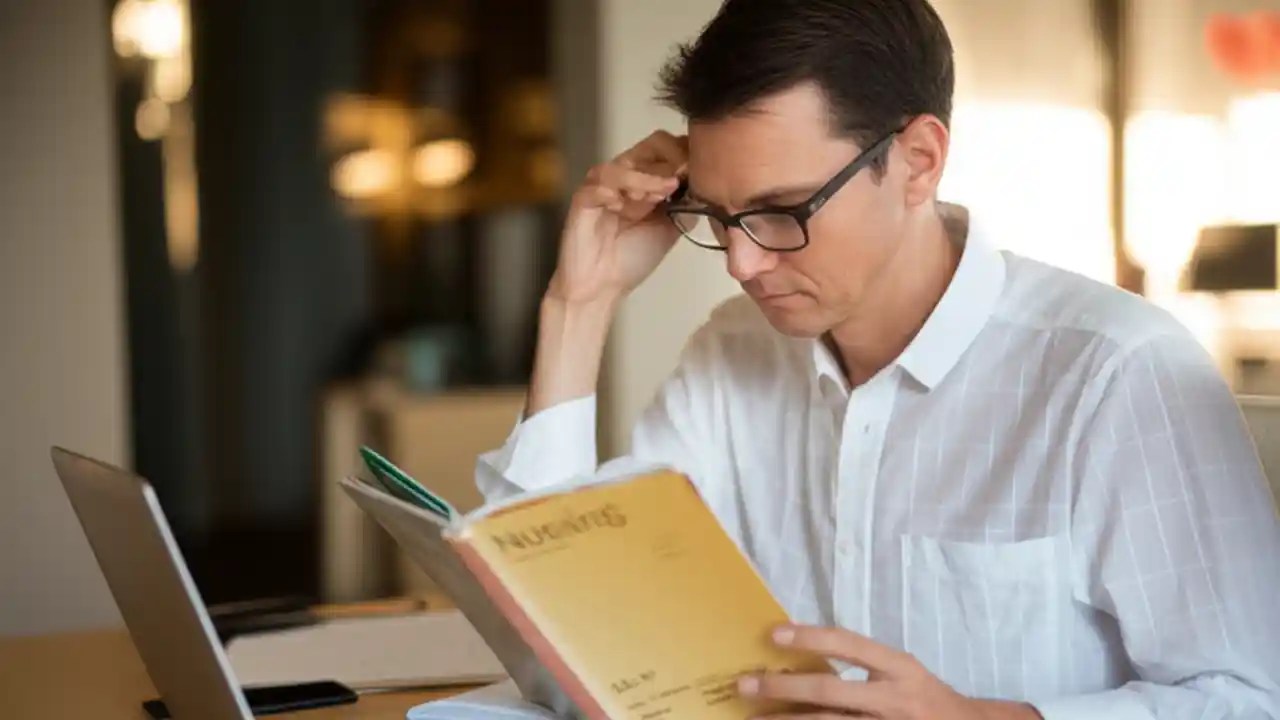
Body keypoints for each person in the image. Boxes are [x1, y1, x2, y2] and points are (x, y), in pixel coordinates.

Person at [475, 0, 1280, 717]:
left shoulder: (1116, 373)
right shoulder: (732, 352)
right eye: (716, 215)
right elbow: (572, 637)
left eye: (782, 211)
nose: (742, 263)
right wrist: (579, 304)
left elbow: (1250, 696)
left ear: (919, 161)